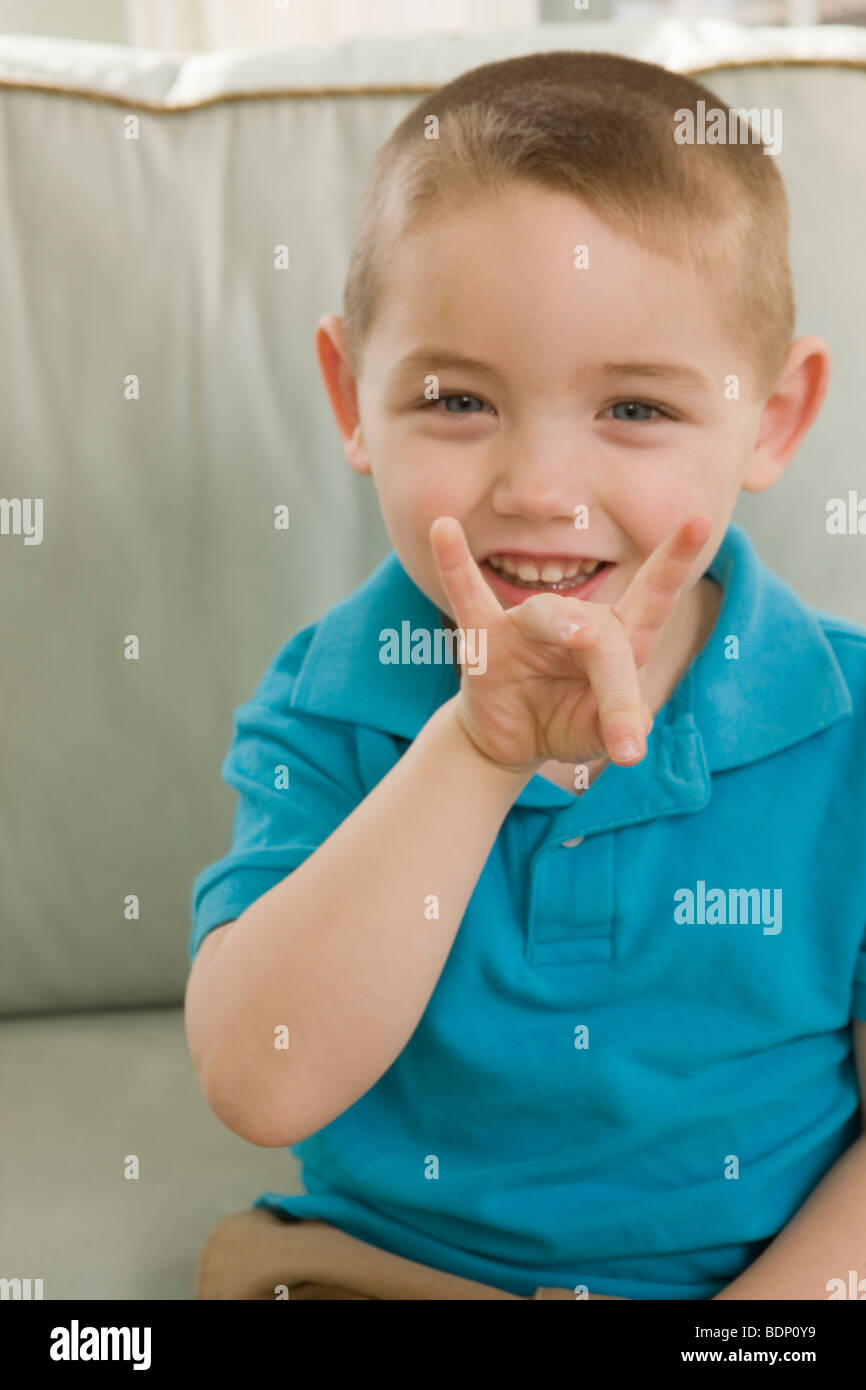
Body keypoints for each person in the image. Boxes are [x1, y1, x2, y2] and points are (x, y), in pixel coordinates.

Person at [185, 50, 866, 1301]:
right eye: (457, 399)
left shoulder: (850, 724)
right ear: (352, 395)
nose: (539, 489)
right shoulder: (332, 698)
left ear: (771, 417)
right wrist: (474, 749)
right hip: (395, 1275)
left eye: (635, 410)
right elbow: (259, 1077)